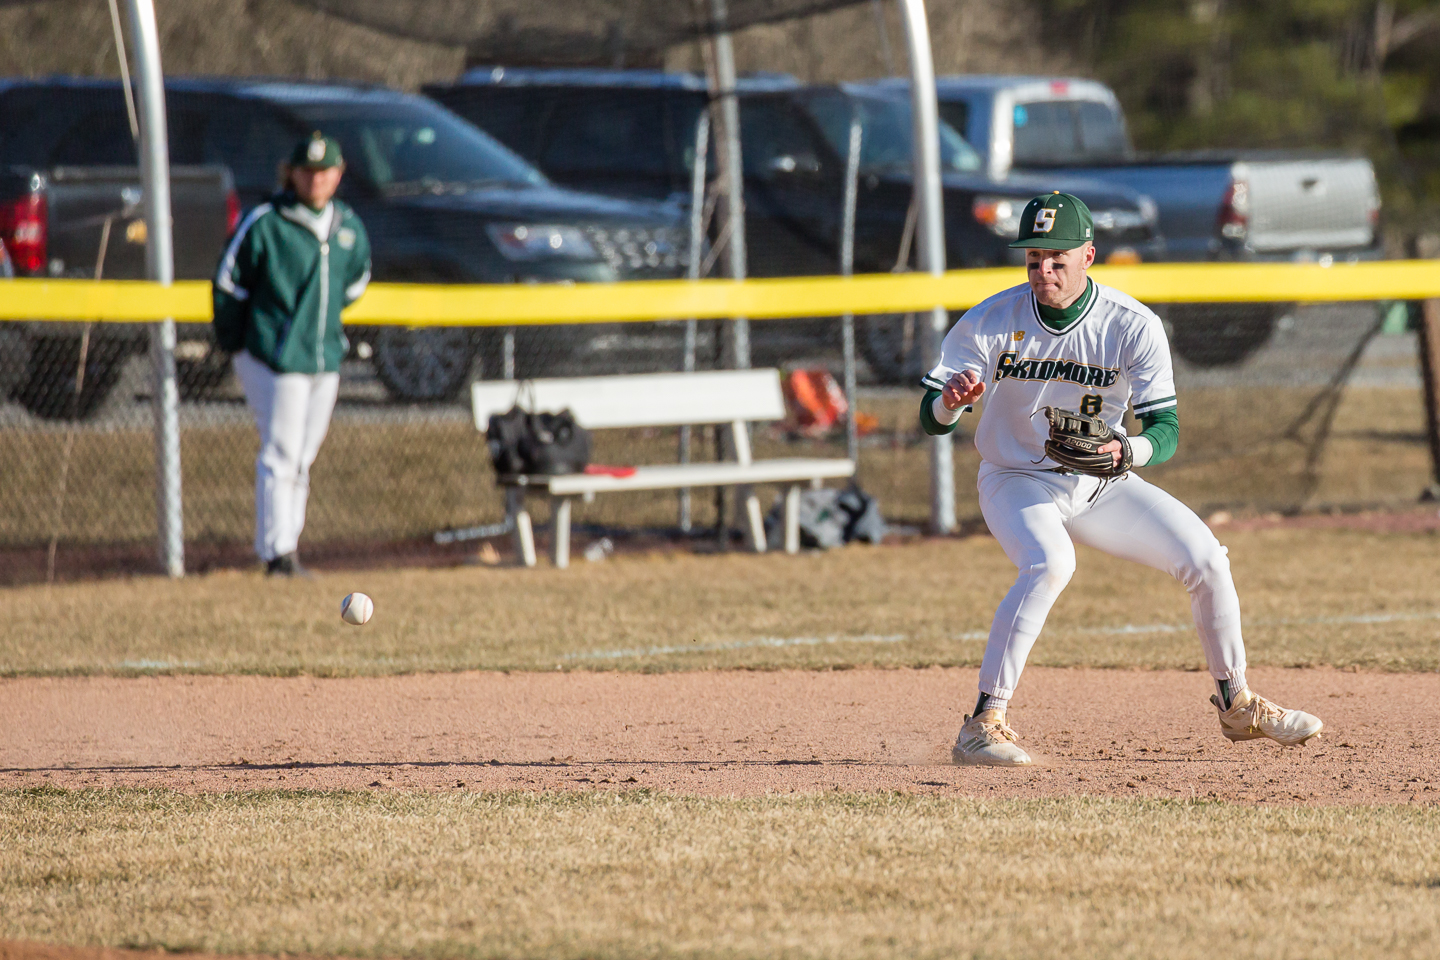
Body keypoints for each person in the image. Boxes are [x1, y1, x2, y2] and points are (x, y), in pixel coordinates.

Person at [920, 191, 1323, 766]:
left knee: (1206, 558)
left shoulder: (1131, 324)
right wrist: (950, 406)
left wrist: (1126, 450)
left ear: (1089, 255)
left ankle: (1237, 703)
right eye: (1034, 258)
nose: (1045, 270)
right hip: (1016, 477)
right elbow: (931, 418)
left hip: (1100, 479)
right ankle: (984, 721)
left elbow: (1166, 429)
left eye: (1058, 258)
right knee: (1050, 563)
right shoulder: (990, 319)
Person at [213, 132, 372, 577]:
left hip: (323, 355)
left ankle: (289, 548)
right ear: (292, 174)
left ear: (338, 175)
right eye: (307, 171)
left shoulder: (346, 226)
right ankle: (276, 552)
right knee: (281, 452)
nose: (316, 179)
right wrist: (237, 340)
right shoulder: (267, 221)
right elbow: (228, 283)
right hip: (274, 356)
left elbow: (356, 281)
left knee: (302, 457)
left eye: (325, 171)